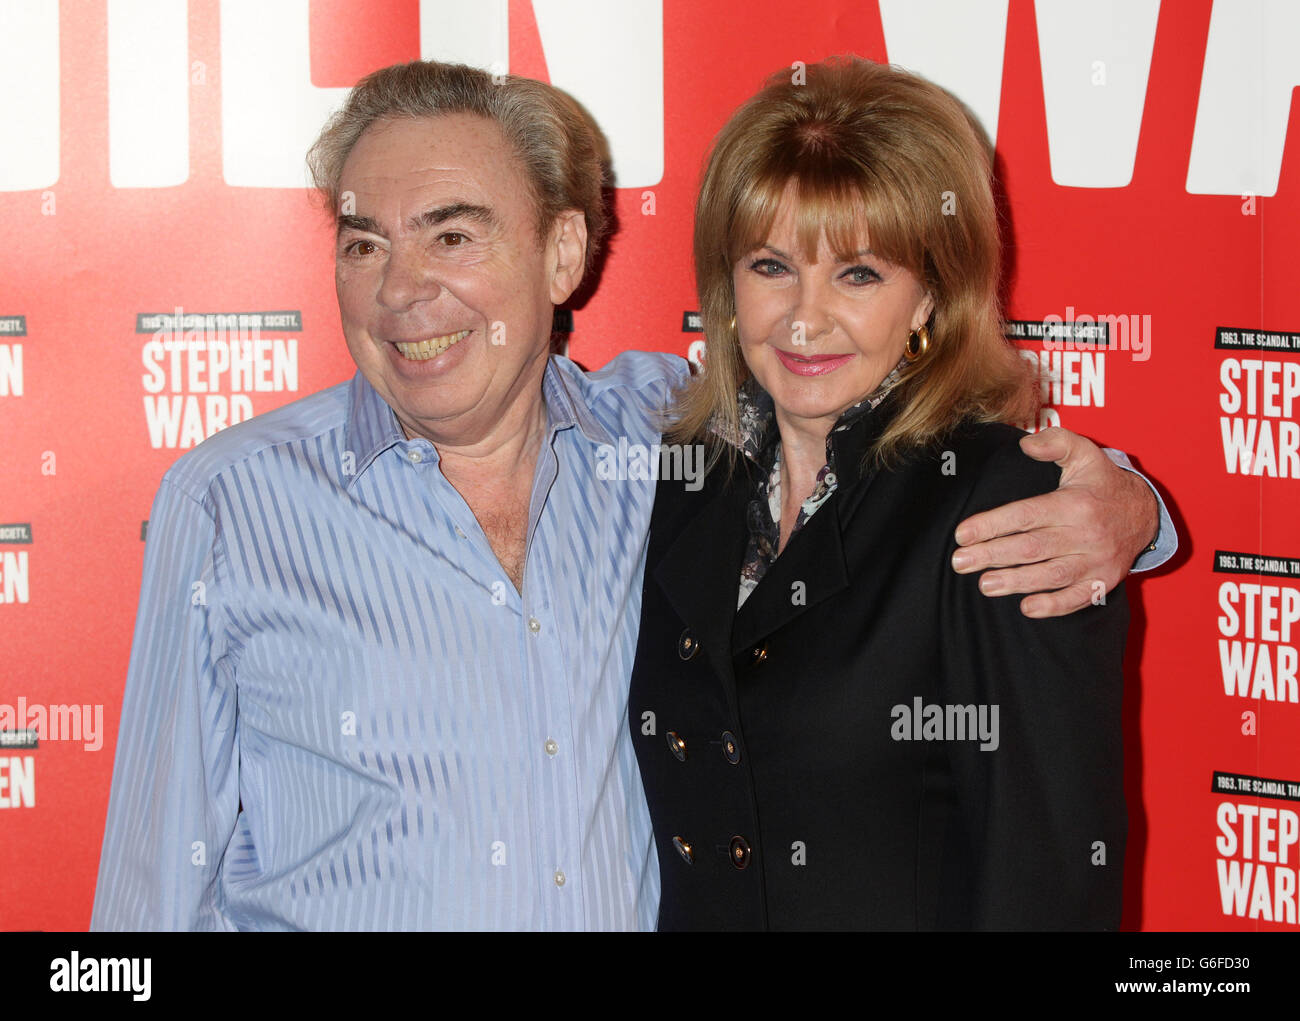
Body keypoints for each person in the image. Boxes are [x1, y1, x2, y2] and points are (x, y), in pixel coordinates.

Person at [92, 59, 1170, 931]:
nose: (402, 289)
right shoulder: (233, 504)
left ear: (562, 252)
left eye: (453, 235)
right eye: (364, 242)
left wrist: (1131, 509)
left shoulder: (656, 446)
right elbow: (147, 892)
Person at [630, 56, 1133, 930]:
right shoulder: (689, 480)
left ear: (931, 291)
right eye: (771, 265)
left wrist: (1141, 505)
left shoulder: (1004, 503)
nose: (804, 317)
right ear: (726, 282)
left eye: (858, 273)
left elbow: (1047, 875)